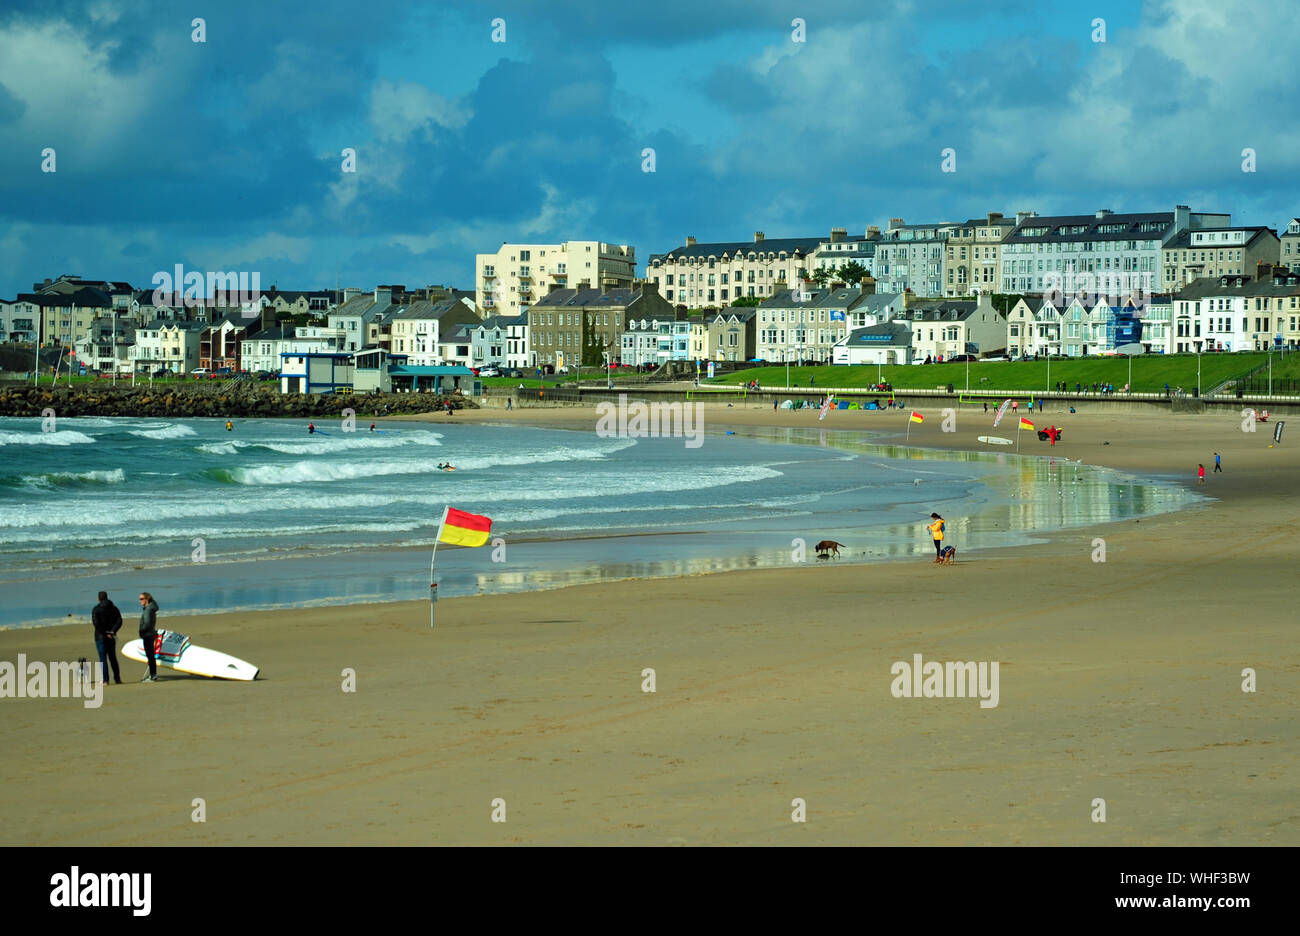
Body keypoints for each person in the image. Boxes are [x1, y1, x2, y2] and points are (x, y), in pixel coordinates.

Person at [91, 591, 123, 685]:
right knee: (113, 658)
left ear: (99, 599)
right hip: (111, 635)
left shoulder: (96, 609)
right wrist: (112, 631)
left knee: (103, 659)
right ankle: (117, 679)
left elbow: (96, 623)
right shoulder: (114, 608)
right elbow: (119, 621)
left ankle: (105, 680)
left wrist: (105, 633)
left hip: (100, 636)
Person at [138, 592, 159, 682]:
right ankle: (153, 674)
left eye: (142, 599)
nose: (140, 601)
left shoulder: (148, 610)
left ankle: (153, 675)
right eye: (140, 599)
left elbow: (147, 623)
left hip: (148, 634)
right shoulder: (150, 608)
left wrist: (141, 630)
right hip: (150, 634)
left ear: (147, 599)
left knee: (150, 656)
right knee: (150, 656)